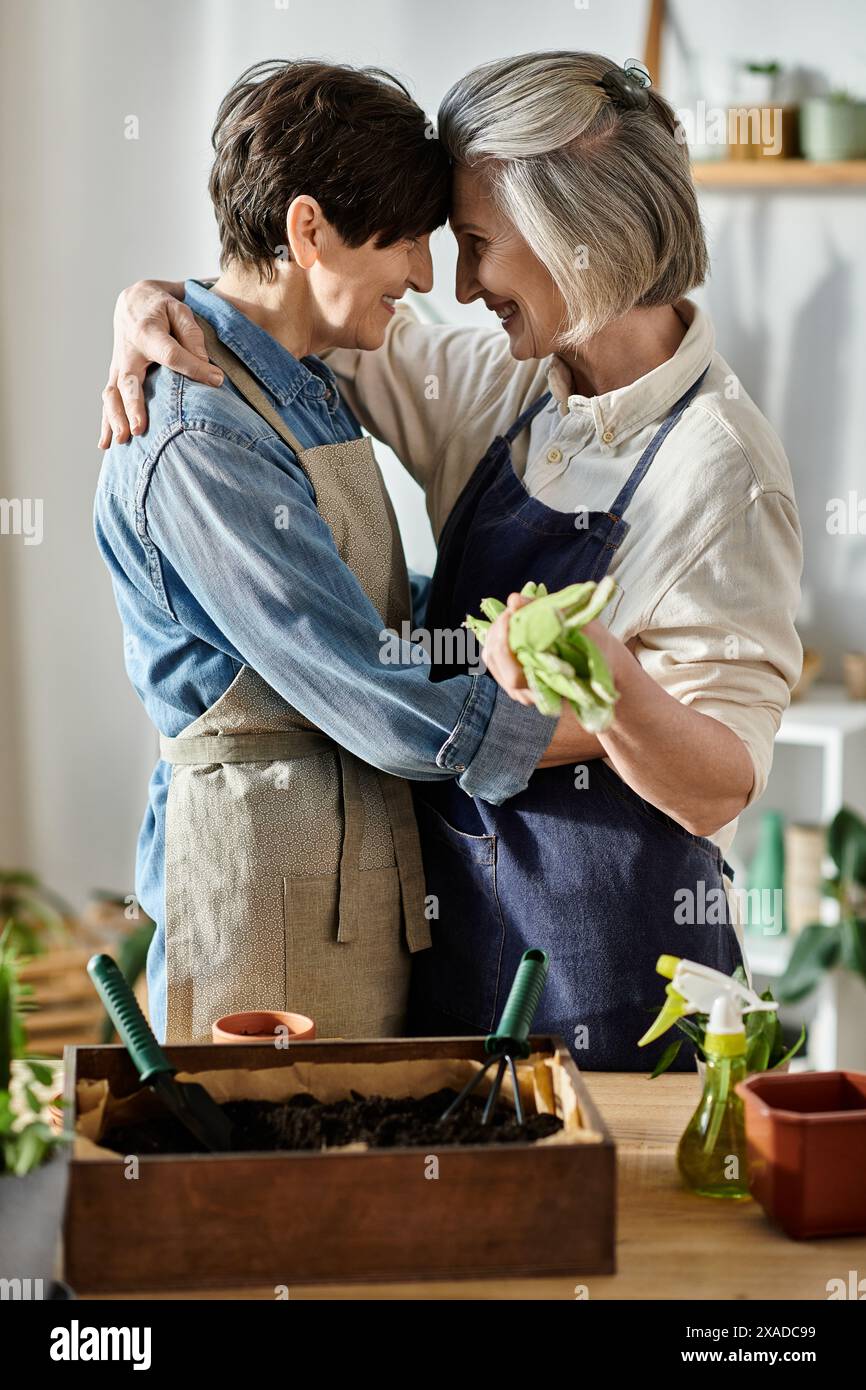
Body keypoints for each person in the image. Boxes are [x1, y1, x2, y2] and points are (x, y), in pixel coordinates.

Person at [100, 53, 802, 1069]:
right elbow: (293, 303)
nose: (458, 285)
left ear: (579, 240)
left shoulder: (720, 470)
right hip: (448, 949)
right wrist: (150, 304)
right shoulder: (495, 383)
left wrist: (608, 693)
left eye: (475, 243)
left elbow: (717, 786)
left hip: (612, 959)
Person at [94, 59, 584, 1046]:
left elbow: (363, 607)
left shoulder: (304, 377)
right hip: (251, 908)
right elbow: (369, 687)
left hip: (342, 887)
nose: (420, 273)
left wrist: (494, 635)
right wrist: (602, 726)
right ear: (308, 228)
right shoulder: (195, 434)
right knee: (261, 1194)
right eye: (404, 240)